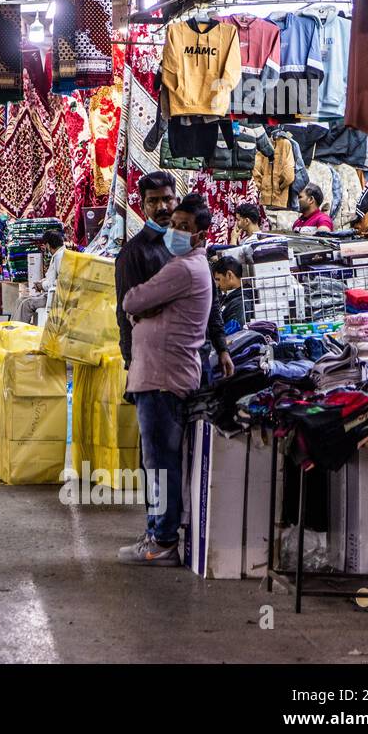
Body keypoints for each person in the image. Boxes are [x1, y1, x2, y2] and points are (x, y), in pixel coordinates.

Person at [118, 194, 215, 566]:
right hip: (163, 376)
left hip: (163, 379)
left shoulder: (182, 269)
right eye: (173, 224)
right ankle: (157, 532)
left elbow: (132, 300)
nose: (174, 231)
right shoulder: (187, 266)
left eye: (183, 227)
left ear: (200, 235)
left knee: (160, 465)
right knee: (159, 463)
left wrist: (142, 311)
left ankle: (162, 541)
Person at [115, 171, 234, 382]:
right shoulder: (133, 254)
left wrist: (222, 347)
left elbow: (211, 301)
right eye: (153, 201)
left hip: (199, 359)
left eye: (167, 199)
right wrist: (132, 363)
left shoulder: (191, 243)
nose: (161, 207)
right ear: (142, 206)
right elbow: (125, 314)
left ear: (177, 202)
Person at [211, 256, 250, 329]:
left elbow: (232, 332)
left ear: (229, 275)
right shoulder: (229, 298)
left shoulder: (239, 302)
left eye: (218, 279)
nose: (217, 284)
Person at [38, 230, 66, 295]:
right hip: (53, 294)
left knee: (25, 302)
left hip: (56, 297)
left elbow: (60, 282)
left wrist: (42, 285)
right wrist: (43, 282)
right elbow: (53, 277)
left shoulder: (60, 257)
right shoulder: (58, 255)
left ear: (48, 245)